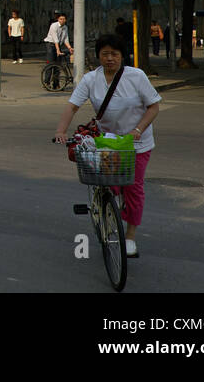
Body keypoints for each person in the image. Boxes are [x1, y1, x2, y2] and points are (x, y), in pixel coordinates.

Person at [54, 34, 161, 259]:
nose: (110, 58)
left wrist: (138, 130)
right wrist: (61, 131)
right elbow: (72, 106)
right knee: (109, 184)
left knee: (132, 187)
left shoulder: (136, 76)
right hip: (108, 142)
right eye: (105, 54)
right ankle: (108, 210)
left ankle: (130, 236)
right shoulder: (91, 79)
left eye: (115, 54)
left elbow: (153, 107)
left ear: (122, 56)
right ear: (99, 56)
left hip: (136, 143)